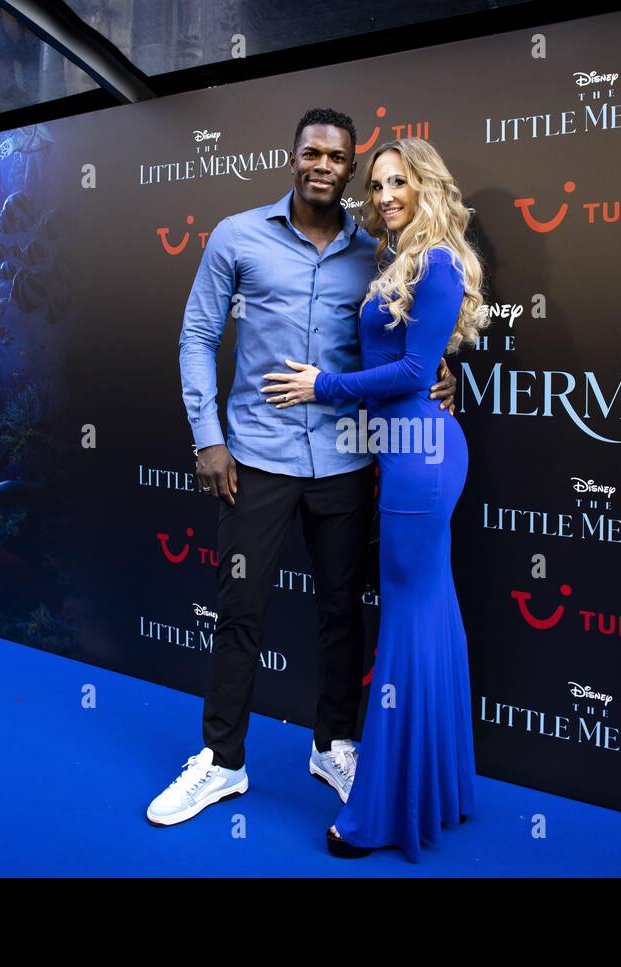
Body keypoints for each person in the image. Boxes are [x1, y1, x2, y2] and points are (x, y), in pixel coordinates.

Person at [148, 109, 458, 826]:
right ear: (293, 158)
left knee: (342, 610)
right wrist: (207, 436)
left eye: (337, 156)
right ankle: (222, 763)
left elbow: (410, 335)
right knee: (241, 611)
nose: (323, 164)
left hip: (347, 460)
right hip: (254, 458)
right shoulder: (237, 236)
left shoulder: (377, 253)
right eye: (311, 152)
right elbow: (196, 335)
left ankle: (334, 744)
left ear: (350, 170)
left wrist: (441, 375)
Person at [261, 137, 492, 859]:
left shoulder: (440, 261)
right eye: (380, 184)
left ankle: (382, 812)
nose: (386, 194)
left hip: (421, 460)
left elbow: (416, 368)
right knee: (429, 617)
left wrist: (319, 386)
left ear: (427, 186)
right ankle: (440, 787)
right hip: (410, 453)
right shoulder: (403, 262)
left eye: (401, 181)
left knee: (406, 628)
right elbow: (420, 364)